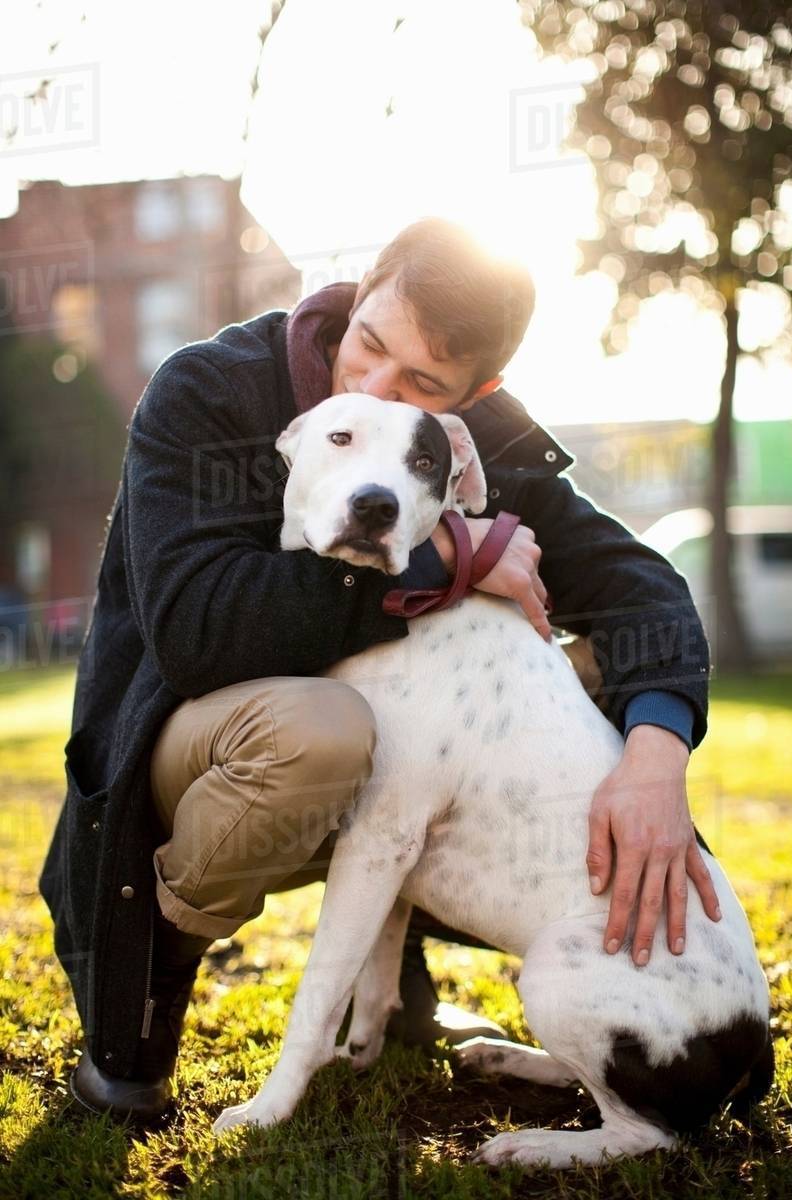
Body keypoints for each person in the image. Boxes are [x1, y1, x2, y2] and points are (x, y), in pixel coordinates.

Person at [40, 218, 720, 1126]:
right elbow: (199, 633)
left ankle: (394, 991)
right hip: (179, 740)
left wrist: (656, 756)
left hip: (356, 778)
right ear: (358, 294)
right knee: (324, 731)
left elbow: (642, 585)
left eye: (423, 386)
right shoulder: (210, 391)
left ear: (478, 394)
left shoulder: (477, 447)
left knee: (549, 667)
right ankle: (152, 977)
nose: (375, 387)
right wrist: (446, 561)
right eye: (369, 344)